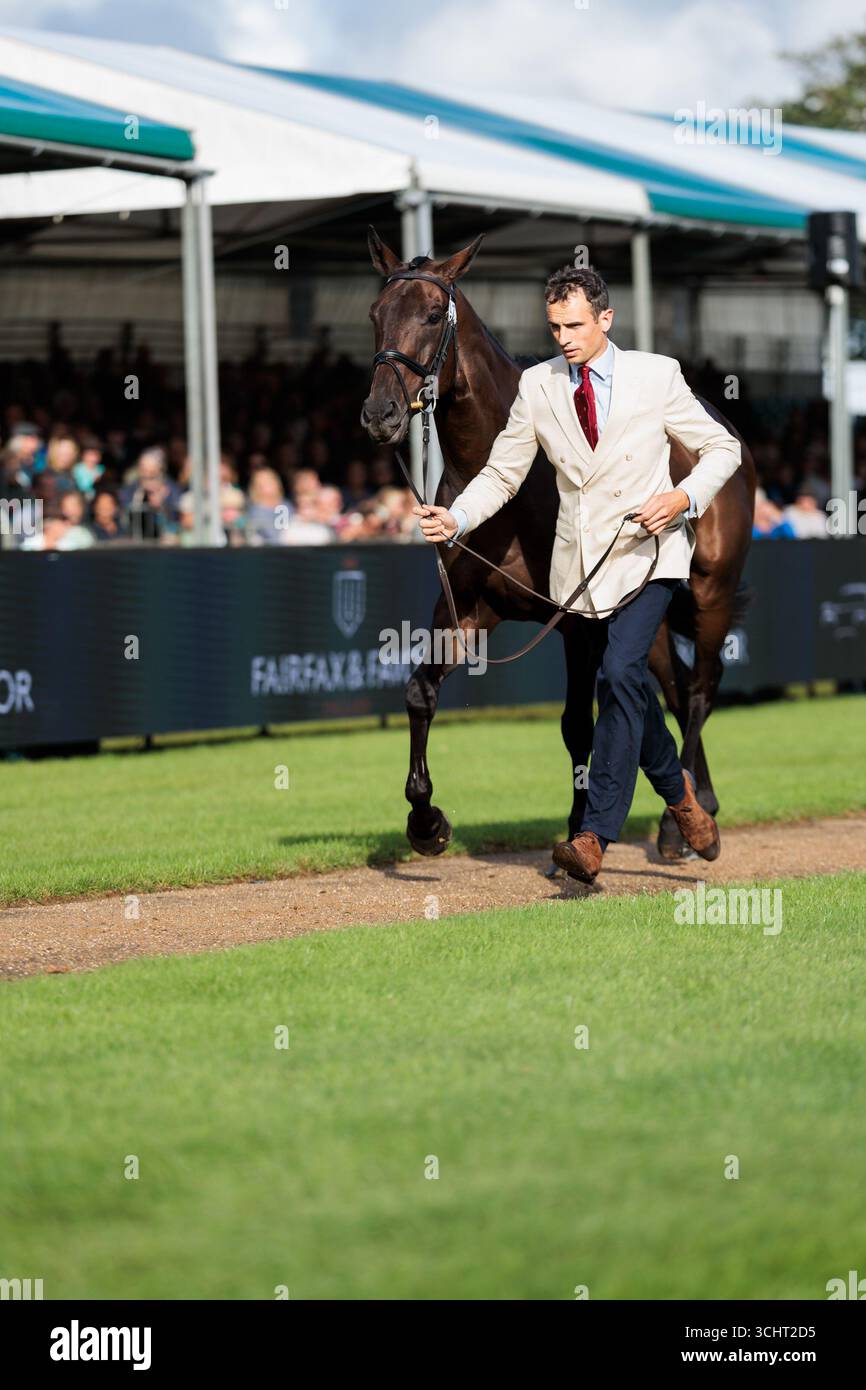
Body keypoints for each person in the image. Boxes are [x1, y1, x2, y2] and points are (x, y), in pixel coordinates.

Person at [415, 265, 742, 884]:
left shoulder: (657, 375)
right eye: (554, 326)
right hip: (580, 573)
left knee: (621, 672)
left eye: (574, 325)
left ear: (605, 320)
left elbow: (723, 448)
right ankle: (681, 797)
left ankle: (593, 836)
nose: (563, 337)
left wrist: (683, 499)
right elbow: (503, 475)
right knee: (628, 695)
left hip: (650, 557)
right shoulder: (537, 387)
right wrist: (455, 516)